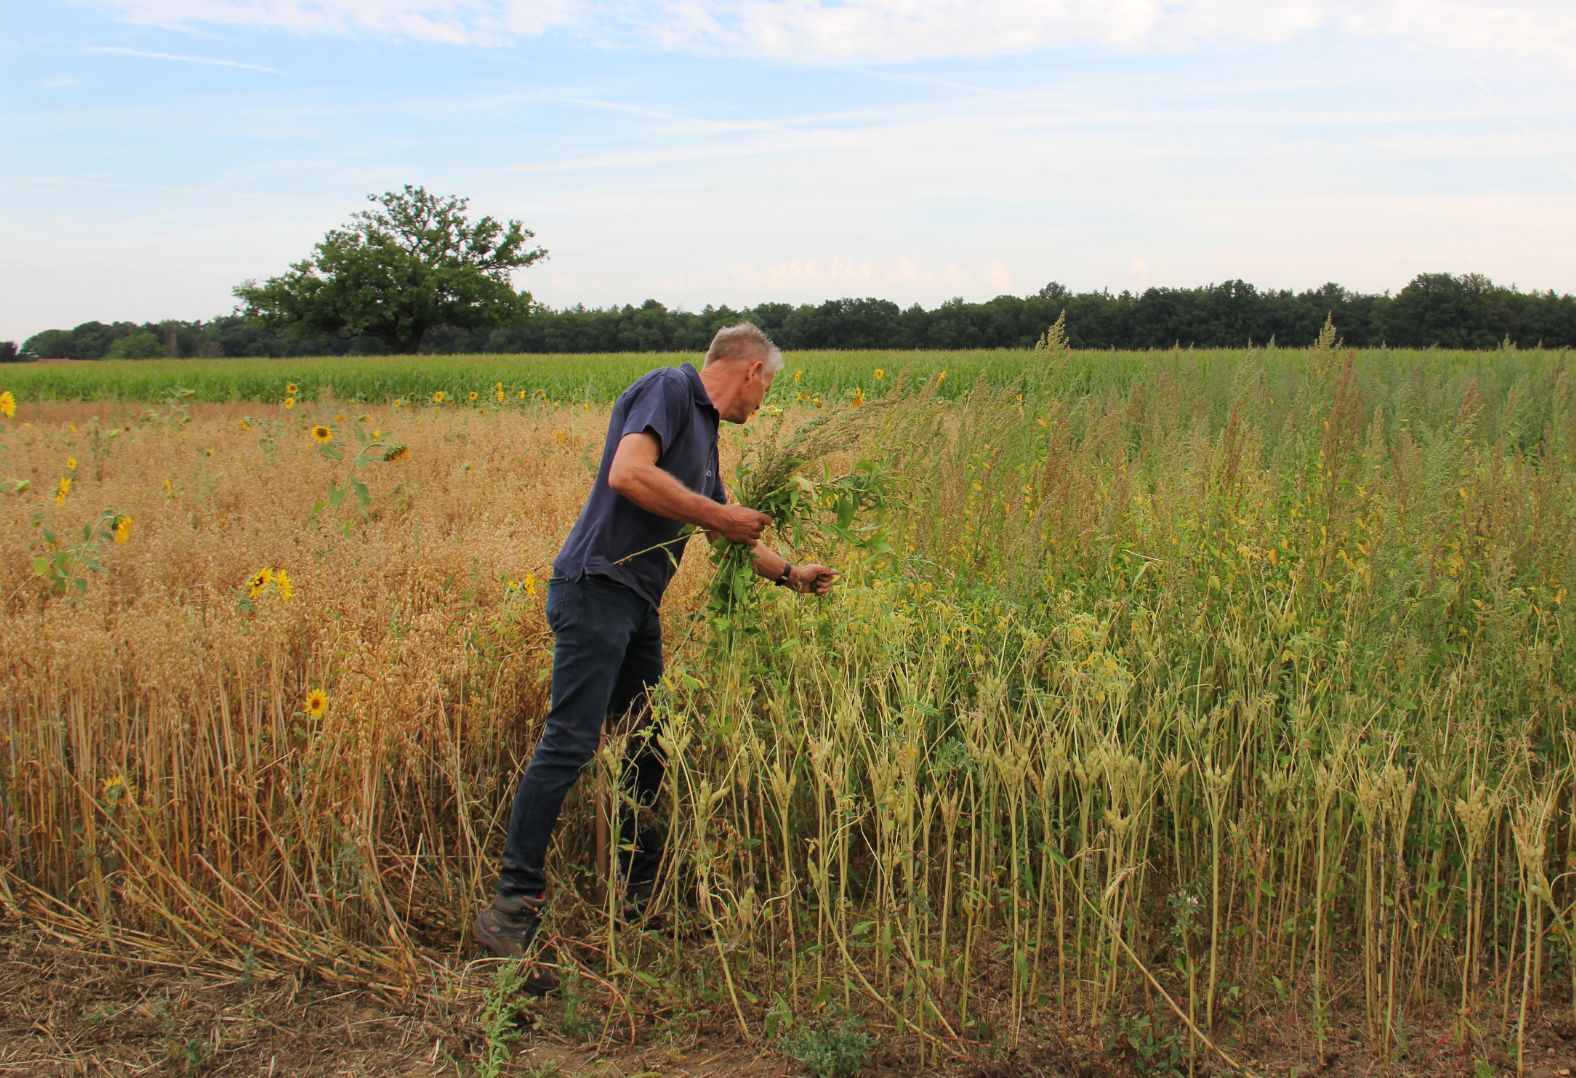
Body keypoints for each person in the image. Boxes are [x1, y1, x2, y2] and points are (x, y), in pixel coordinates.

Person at [472, 323, 837, 983]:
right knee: (571, 743)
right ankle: (511, 907)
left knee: (647, 744)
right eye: (769, 386)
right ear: (751, 370)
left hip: (635, 605)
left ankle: (636, 896)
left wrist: (791, 574)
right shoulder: (671, 389)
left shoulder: (705, 439)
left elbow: (727, 530)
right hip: (597, 589)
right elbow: (628, 473)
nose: (764, 403)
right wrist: (717, 515)